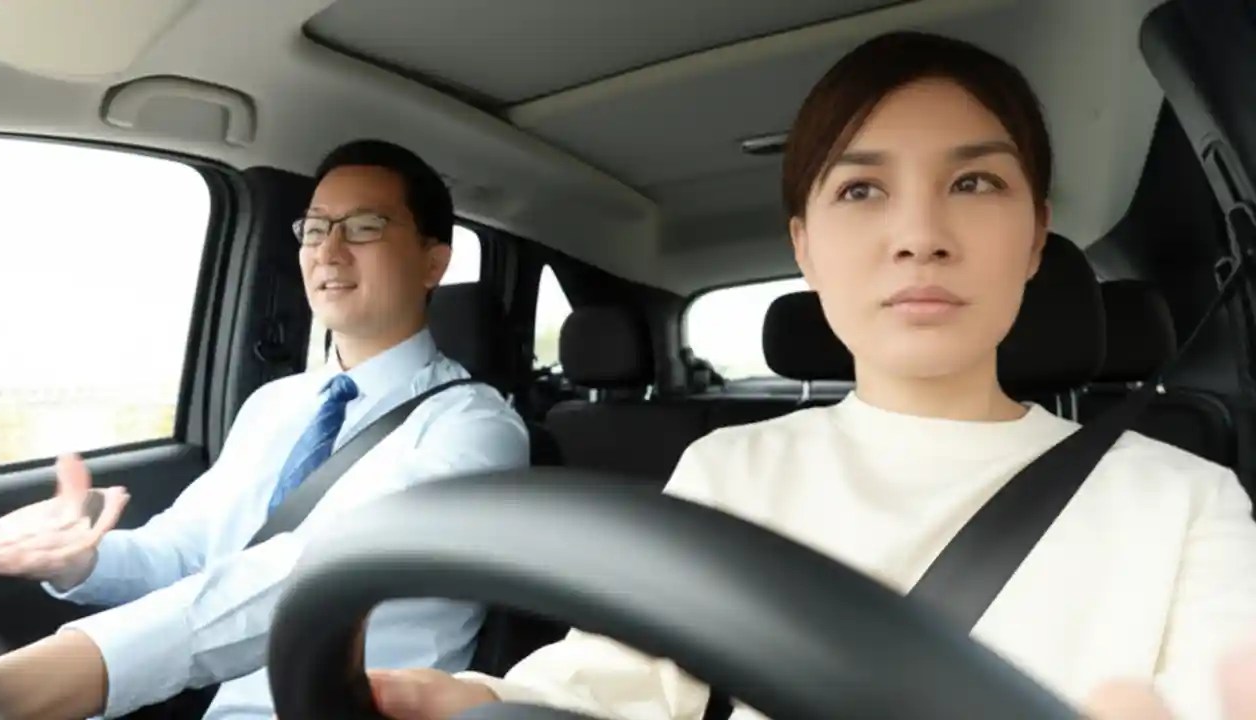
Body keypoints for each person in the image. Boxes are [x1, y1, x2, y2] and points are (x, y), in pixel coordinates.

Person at [343, 32, 1256, 720]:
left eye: (974, 183)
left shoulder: (1185, 499)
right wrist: (478, 702)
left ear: (1034, 239)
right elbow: (607, 687)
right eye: (862, 190)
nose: (919, 235)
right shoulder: (732, 471)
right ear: (806, 249)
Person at [0, 140, 531, 719]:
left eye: (364, 227)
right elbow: (184, 551)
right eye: (315, 229)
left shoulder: (475, 429)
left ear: (433, 262)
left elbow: (316, 575)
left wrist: (41, 679)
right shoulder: (274, 405)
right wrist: (77, 561)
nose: (329, 251)